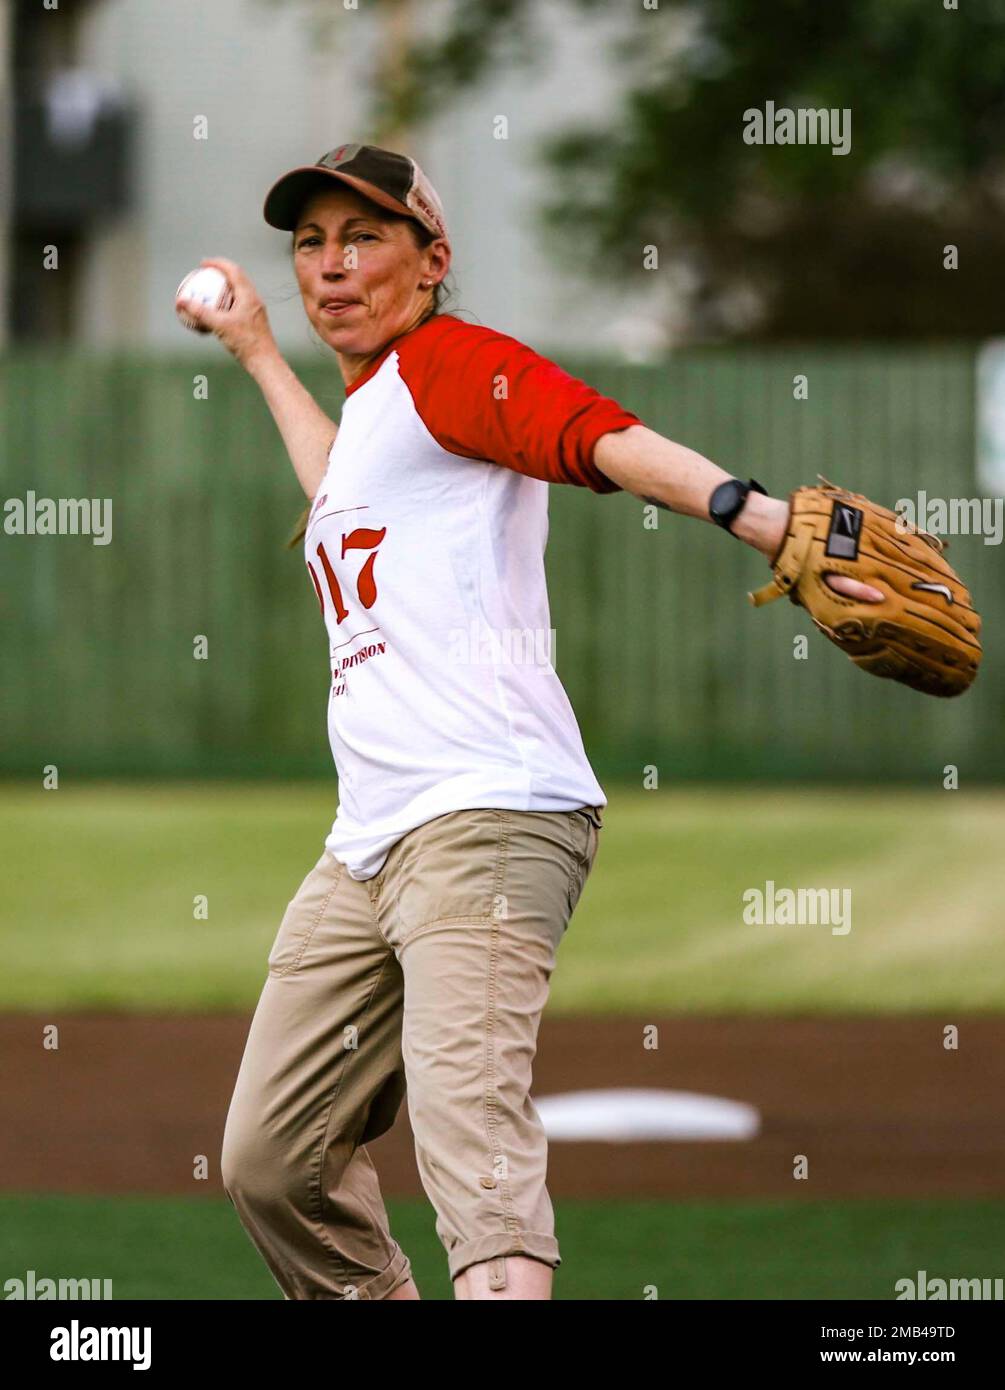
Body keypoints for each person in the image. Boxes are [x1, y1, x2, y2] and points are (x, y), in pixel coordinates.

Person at [183, 143, 882, 1301]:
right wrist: (256, 346)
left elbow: (592, 433)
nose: (332, 266)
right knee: (271, 1160)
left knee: (472, 1141)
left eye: (365, 238)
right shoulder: (377, 418)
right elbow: (339, 486)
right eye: (310, 243)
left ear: (433, 260)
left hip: (488, 815)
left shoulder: (450, 363)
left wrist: (755, 515)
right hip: (366, 843)